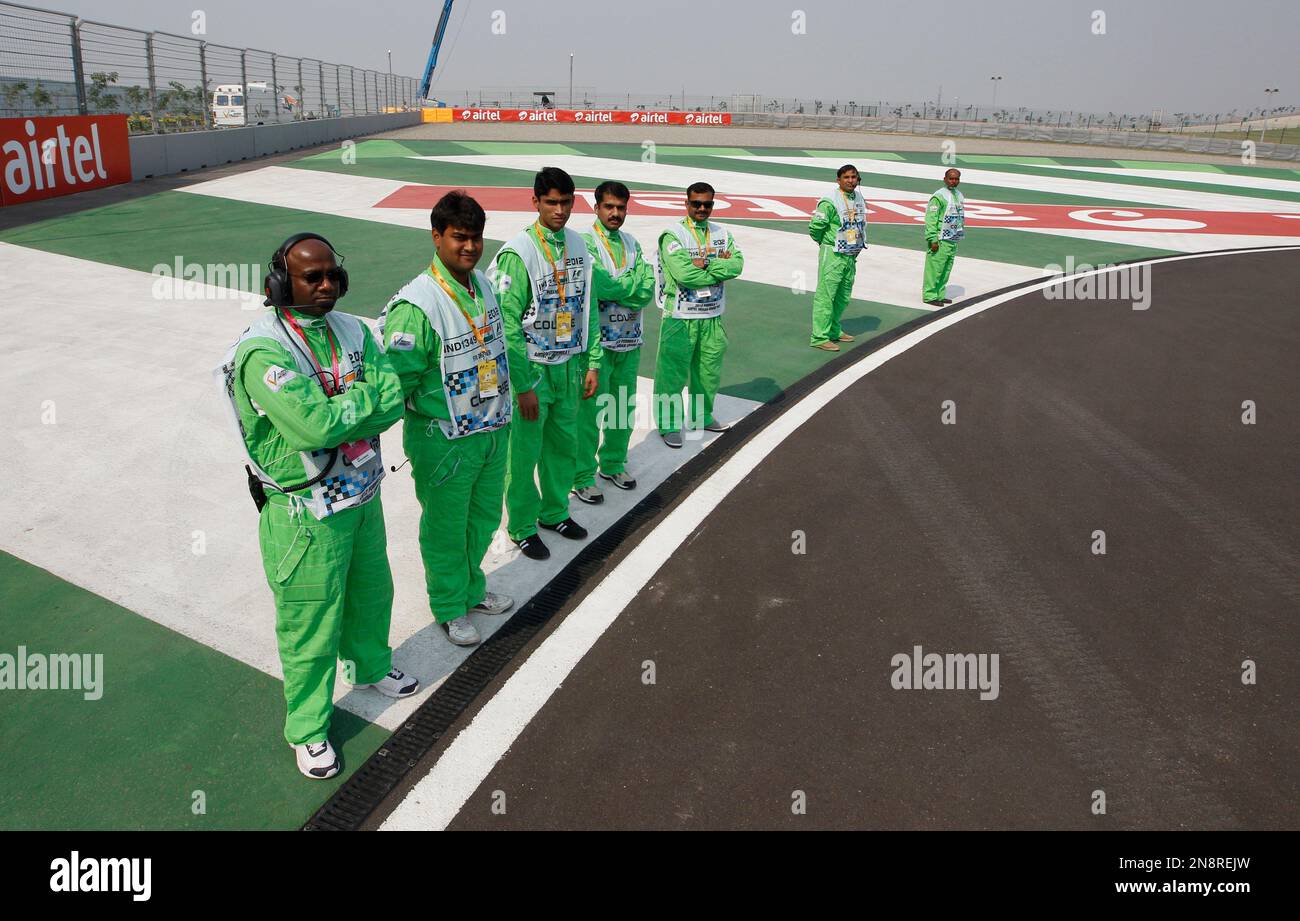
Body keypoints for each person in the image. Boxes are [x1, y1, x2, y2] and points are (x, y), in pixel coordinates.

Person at [216, 233, 416, 781]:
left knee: (372, 592)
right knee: (310, 623)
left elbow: (393, 396)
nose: (327, 285)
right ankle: (307, 729)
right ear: (280, 284)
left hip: (360, 491)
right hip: (304, 516)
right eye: (312, 277)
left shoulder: (352, 329)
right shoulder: (263, 351)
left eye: (333, 274)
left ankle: (372, 665)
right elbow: (312, 427)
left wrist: (344, 409)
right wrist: (357, 406)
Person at [378, 192, 514, 648]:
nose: (470, 247)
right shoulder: (416, 305)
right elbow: (397, 382)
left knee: (483, 520)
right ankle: (450, 607)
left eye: (475, 237)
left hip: (491, 429)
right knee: (445, 528)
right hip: (444, 440)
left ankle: (472, 589)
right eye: (459, 237)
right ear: (436, 237)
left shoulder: (486, 285)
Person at [488, 166, 601, 560]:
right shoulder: (519, 252)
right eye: (551, 202)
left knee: (562, 446)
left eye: (566, 202)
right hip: (533, 369)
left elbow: (588, 307)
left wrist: (593, 361)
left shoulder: (579, 245)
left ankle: (555, 512)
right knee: (523, 454)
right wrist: (523, 385)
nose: (559, 210)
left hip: (569, 365)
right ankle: (521, 525)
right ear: (534, 201)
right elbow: (506, 323)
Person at [571, 180, 656, 504]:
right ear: (596, 208)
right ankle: (581, 475)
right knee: (589, 413)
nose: (615, 213)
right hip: (596, 345)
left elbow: (647, 288)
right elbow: (598, 285)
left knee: (622, 408)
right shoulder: (585, 243)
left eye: (621, 207)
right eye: (609, 207)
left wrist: (626, 288)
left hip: (629, 342)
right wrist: (629, 287)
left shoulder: (632, 244)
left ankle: (613, 463)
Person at [652, 182, 744, 448]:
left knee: (709, 371)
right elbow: (684, 275)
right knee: (671, 374)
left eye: (707, 204)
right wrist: (719, 265)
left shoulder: (722, 233)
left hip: (712, 315)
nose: (702, 208)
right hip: (680, 317)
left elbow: (737, 265)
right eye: (696, 203)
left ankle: (701, 415)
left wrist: (706, 262)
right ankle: (668, 424)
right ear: (687, 203)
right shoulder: (673, 235)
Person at [808, 164, 867, 352]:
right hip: (832, 254)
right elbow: (815, 228)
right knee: (826, 296)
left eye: (854, 177)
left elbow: (860, 223)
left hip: (850, 254)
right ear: (838, 180)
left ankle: (834, 330)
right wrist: (825, 243)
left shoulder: (858, 197)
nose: (851, 181)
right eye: (847, 177)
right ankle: (819, 336)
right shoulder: (829, 201)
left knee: (843, 297)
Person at [923, 168, 965, 306]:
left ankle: (940, 294)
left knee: (946, 269)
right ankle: (930, 295)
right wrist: (932, 238)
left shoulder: (959, 195)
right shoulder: (938, 196)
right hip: (940, 239)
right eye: (951, 178)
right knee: (935, 268)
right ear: (945, 179)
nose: (954, 181)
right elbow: (931, 218)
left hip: (952, 238)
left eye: (956, 179)